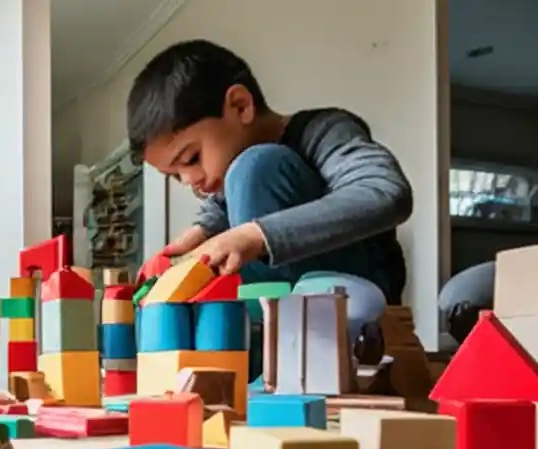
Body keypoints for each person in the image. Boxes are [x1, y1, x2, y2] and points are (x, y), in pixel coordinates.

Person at [127, 40, 412, 367]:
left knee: (255, 167)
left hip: (358, 302)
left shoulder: (324, 132)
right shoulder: (226, 180)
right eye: (176, 176)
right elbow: (221, 207)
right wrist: (196, 236)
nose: (191, 181)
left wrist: (253, 235)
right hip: (281, 314)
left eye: (192, 158)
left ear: (240, 105)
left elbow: (385, 192)